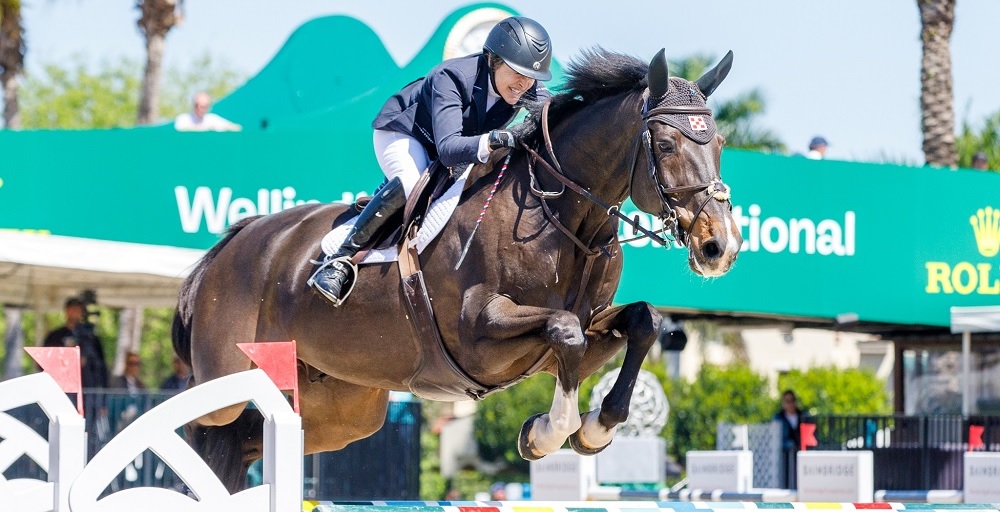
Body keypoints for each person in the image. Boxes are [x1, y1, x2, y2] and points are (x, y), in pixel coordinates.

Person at [307, 16, 553, 306]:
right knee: (411, 183)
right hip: (406, 133)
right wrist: (495, 139)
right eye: (517, 73)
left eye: (531, 76)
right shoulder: (453, 76)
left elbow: (553, 114)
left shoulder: (527, 86)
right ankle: (339, 261)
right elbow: (448, 149)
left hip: (453, 146)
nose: (525, 83)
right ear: (492, 60)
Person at [44, 296, 109, 389]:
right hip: (61, 386)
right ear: (66, 310)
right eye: (72, 309)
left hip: (87, 387)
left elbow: (101, 364)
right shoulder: (55, 336)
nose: (75, 312)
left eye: (78, 309)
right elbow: (45, 361)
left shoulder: (91, 338)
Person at [774, 389, 804, 489]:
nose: (790, 404)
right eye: (787, 401)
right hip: (785, 456)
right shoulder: (778, 418)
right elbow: (777, 437)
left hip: (800, 454)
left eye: (792, 400)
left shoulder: (802, 415)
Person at [174, 91, 242, 132]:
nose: (201, 109)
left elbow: (236, 128)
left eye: (204, 106)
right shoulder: (184, 119)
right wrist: (203, 129)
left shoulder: (212, 119)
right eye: (198, 105)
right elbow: (180, 129)